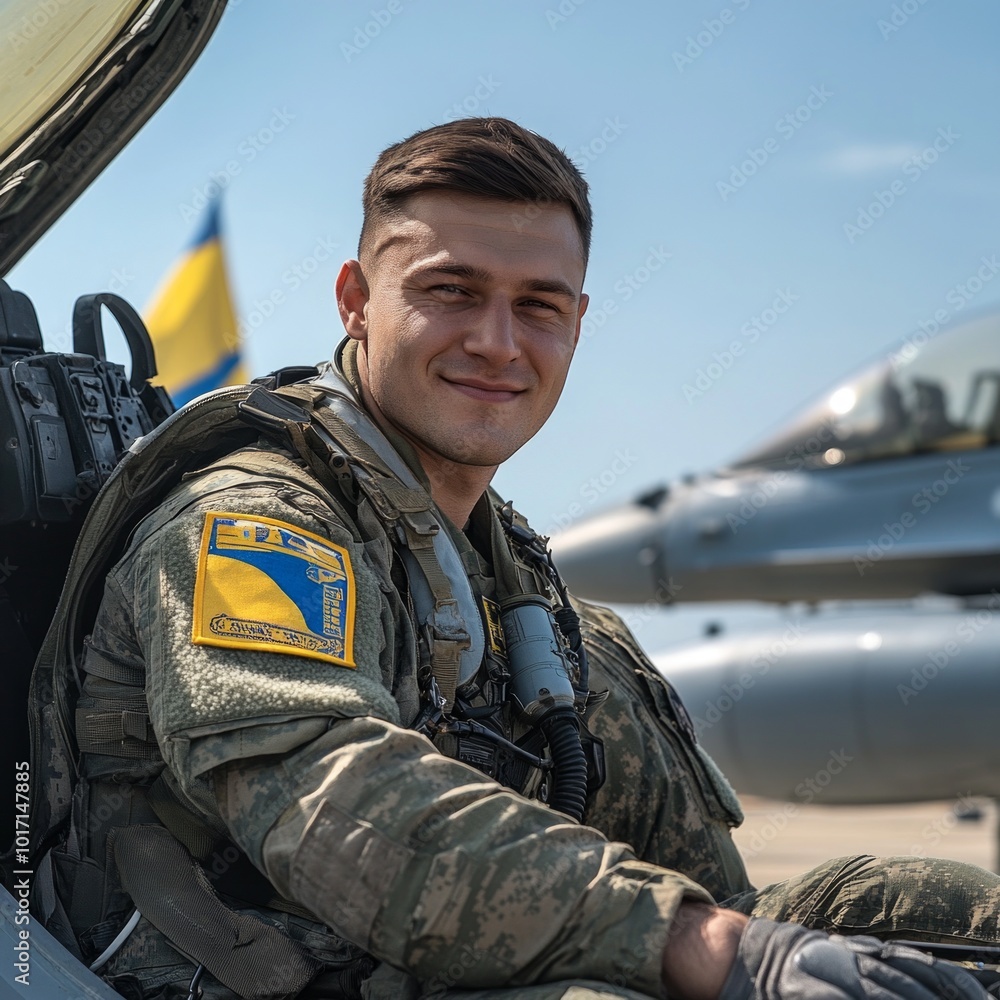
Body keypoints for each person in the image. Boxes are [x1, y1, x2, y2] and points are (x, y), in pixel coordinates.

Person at [33, 117, 1000, 1000]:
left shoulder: (517, 585)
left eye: (538, 306)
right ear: (356, 300)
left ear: (577, 323)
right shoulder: (252, 527)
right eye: (450, 291)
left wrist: (784, 948)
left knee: (930, 921)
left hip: (418, 965)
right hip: (244, 974)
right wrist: (705, 948)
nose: (497, 344)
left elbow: (705, 886)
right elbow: (322, 800)